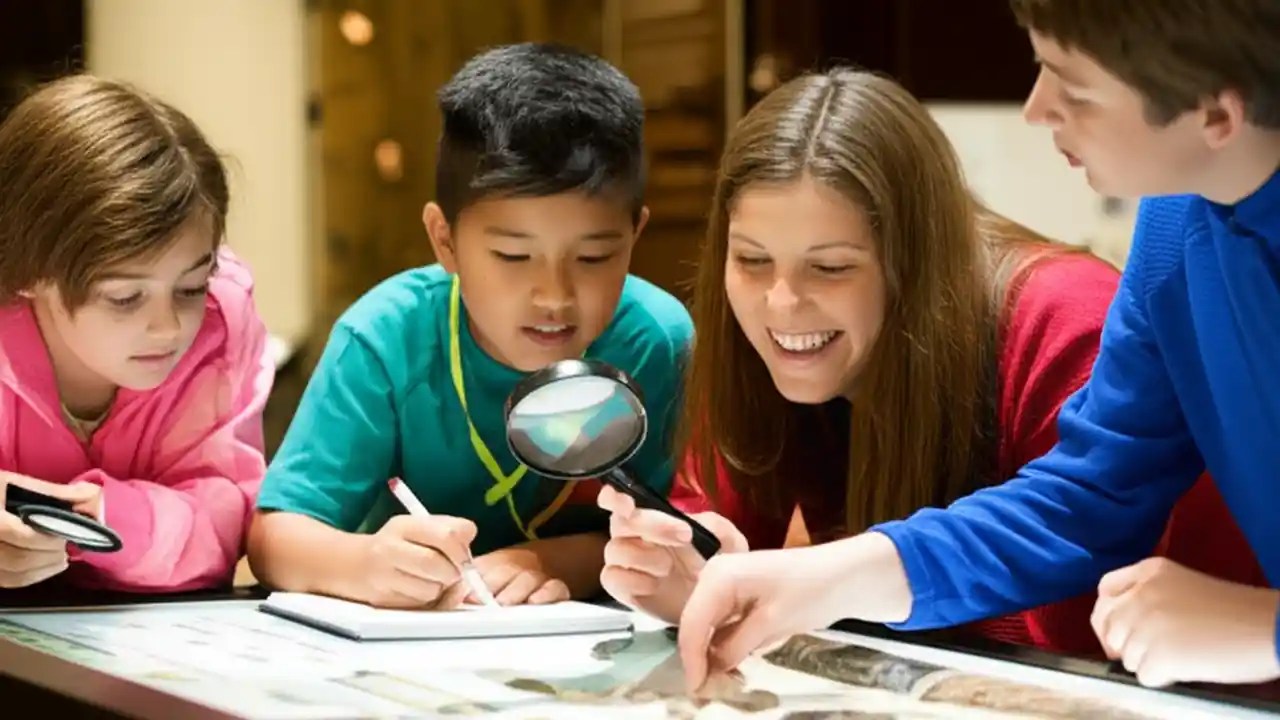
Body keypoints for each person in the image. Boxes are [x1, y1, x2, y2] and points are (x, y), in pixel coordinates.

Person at [674, 0, 1280, 691]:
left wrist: (1263, 629)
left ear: (1216, 115)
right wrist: (824, 578)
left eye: (1074, 88)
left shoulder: (1074, 299)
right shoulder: (1173, 218)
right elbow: (1091, 495)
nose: (1036, 110)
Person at [248, 43, 692, 610]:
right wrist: (363, 564)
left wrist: (556, 562)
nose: (554, 296)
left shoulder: (656, 342)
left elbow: (679, 535)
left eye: (593, 257)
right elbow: (273, 539)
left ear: (635, 236)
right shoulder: (386, 339)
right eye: (512, 256)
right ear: (445, 240)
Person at [0, 75, 273, 593]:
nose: (169, 327)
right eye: (124, 297)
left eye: (191, 287)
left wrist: (106, 517)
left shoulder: (221, 320)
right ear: (30, 271)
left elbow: (224, 519)